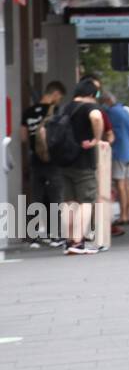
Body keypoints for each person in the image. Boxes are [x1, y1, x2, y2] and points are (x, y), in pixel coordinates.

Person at [60, 78, 108, 255]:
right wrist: (96, 138)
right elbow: (96, 117)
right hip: (83, 161)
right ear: (91, 94)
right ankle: (78, 241)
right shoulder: (90, 107)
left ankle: (68, 240)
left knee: (69, 202)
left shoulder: (64, 108)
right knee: (86, 201)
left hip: (64, 160)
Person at [20, 80, 66, 247]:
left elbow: (23, 137)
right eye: (59, 97)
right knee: (56, 198)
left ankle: (33, 236)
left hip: (35, 159)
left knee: (36, 198)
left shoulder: (28, 112)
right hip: (52, 160)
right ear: (55, 94)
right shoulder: (54, 112)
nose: (59, 100)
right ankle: (56, 235)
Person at [103, 92, 129, 228]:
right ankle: (128, 212)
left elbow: (107, 131)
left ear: (108, 100)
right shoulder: (125, 111)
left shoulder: (111, 113)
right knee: (127, 185)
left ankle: (123, 216)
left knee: (120, 185)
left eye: (103, 101)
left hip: (119, 152)